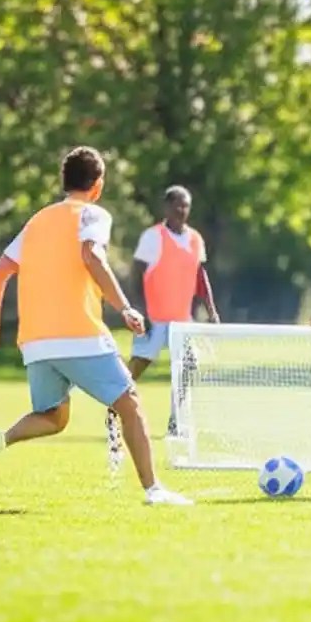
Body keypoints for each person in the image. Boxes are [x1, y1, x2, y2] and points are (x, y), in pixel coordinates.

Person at [0, 146, 191, 506]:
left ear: (63, 181)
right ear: (97, 185)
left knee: (53, 416)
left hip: (35, 341)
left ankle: (0, 439)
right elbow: (91, 254)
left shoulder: (36, 221)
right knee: (130, 402)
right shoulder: (93, 214)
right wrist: (125, 307)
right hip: (79, 334)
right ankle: (153, 490)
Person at [107, 185, 219, 442]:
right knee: (137, 366)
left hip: (182, 319)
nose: (182, 210)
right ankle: (113, 410)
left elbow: (200, 276)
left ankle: (176, 420)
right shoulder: (153, 237)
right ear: (166, 208)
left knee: (189, 365)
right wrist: (138, 309)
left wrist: (211, 309)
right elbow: (137, 273)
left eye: (186, 205)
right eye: (177, 205)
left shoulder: (195, 239)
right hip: (154, 317)